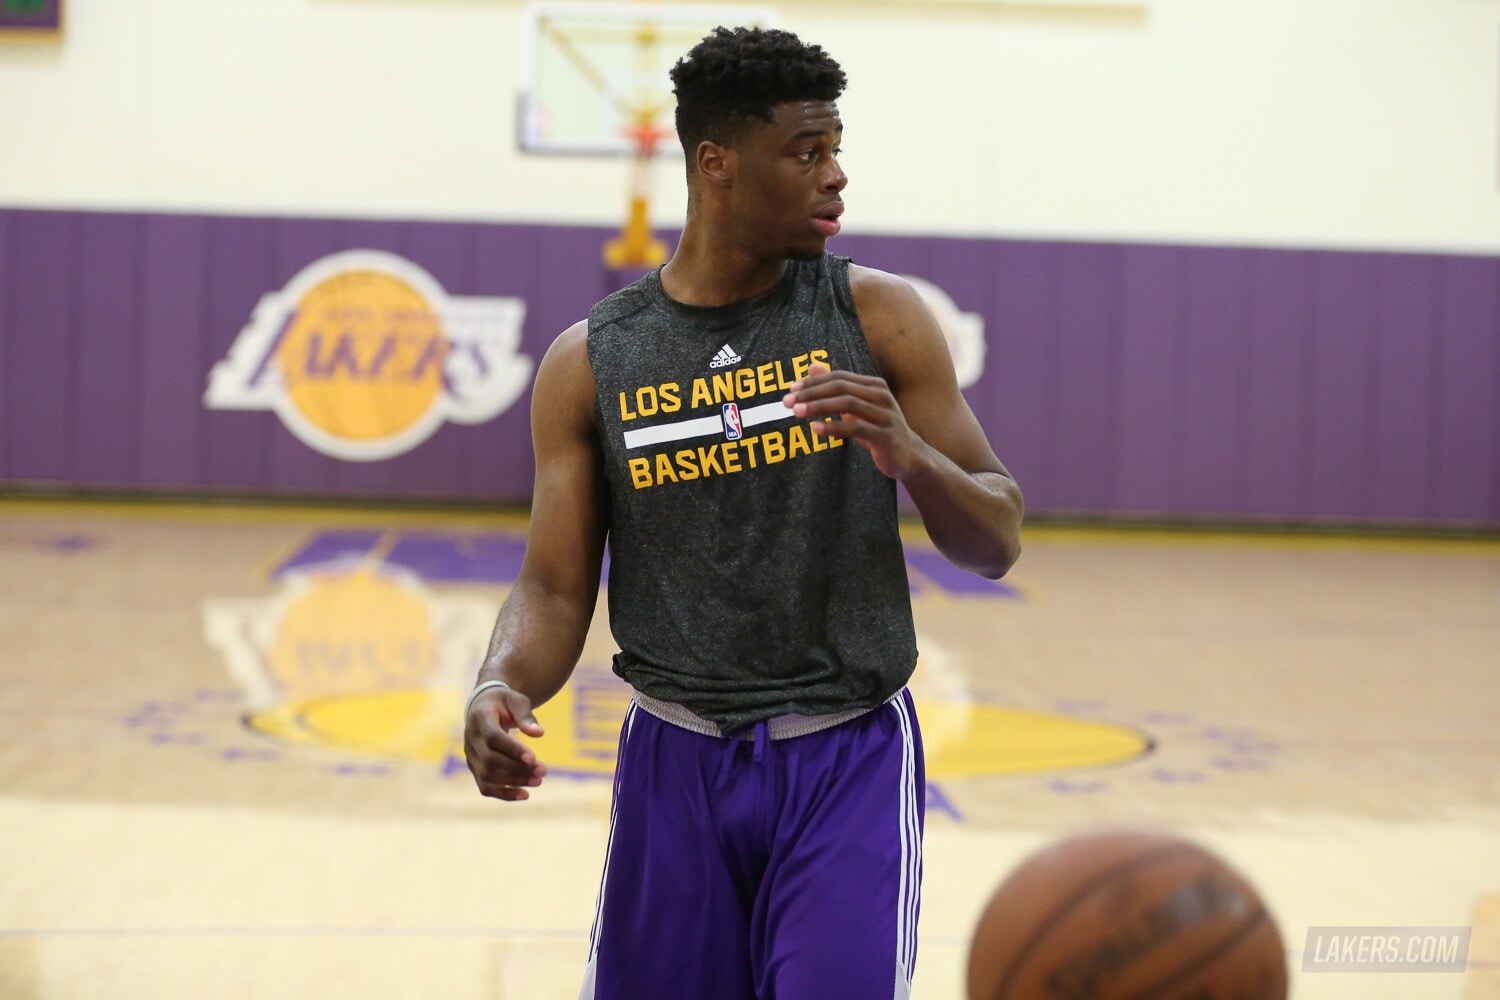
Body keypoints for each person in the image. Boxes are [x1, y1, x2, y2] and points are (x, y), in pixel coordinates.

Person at [464, 25, 1023, 1000]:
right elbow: (553, 585)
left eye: (837, 147)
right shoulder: (592, 361)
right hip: (673, 761)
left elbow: (998, 537)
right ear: (716, 165)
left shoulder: (879, 318)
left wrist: (914, 457)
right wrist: (496, 682)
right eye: (807, 152)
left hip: (845, 757)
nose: (836, 174)